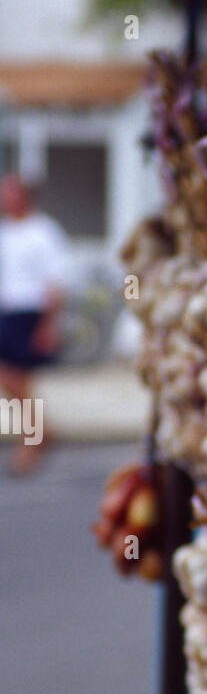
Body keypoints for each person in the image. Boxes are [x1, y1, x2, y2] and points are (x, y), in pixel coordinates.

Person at [0, 174, 69, 474]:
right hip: (8, 311)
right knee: (11, 380)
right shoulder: (5, 231)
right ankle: (39, 432)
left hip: (30, 312)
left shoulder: (44, 232)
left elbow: (56, 282)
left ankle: (33, 439)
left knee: (18, 380)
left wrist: (49, 324)